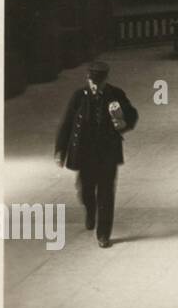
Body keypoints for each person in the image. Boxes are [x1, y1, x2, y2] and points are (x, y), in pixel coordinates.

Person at [54, 60, 139, 248]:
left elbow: (133, 115)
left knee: (106, 193)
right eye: (93, 82)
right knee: (86, 190)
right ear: (88, 79)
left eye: (99, 83)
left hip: (107, 153)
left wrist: (122, 119)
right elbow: (67, 123)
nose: (95, 86)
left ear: (105, 80)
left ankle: (103, 234)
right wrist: (60, 150)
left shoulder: (116, 94)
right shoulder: (79, 96)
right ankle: (90, 211)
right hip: (84, 153)